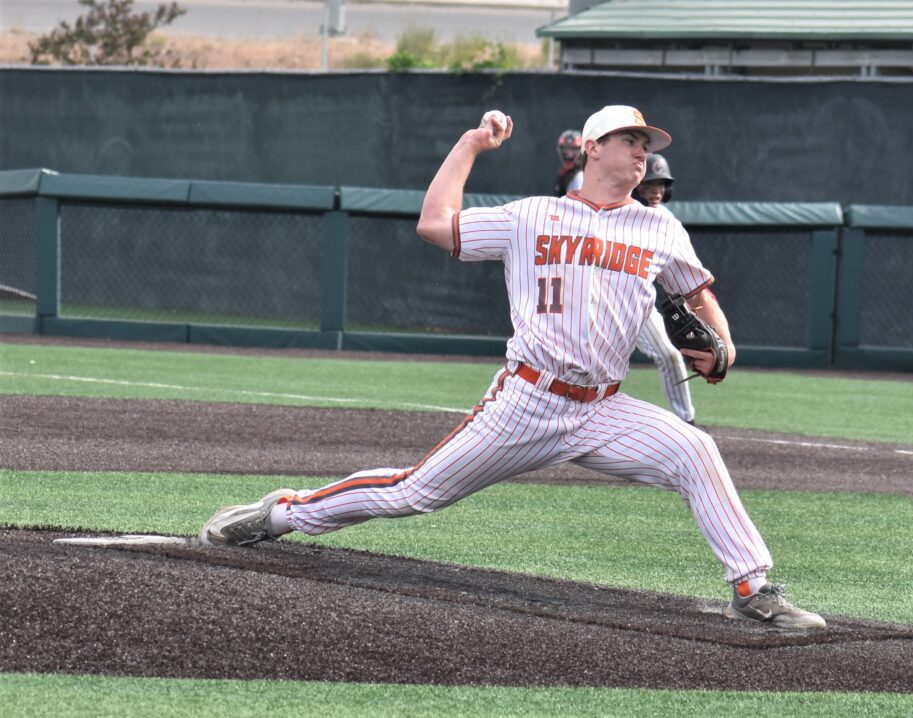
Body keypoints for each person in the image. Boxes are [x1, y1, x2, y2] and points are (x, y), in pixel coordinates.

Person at [199, 105, 827, 629]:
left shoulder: (658, 225)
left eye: (646, 143)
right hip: (528, 402)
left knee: (696, 453)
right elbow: (434, 224)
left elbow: (696, 293)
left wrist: (724, 345)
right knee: (414, 492)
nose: (643, 153)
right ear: (592, 148)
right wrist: (470, 145)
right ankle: (285, 512)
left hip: (605, 406)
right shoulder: (532, 216)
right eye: (630, 141)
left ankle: (753, 590)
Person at [628, 153, 697, 425]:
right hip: (595, 304)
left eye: (660, 184)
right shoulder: (615, 211)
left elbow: (686, 274)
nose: (656, 190)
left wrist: (693, 312)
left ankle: (687, 421)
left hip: (637, 304)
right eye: (648, 184)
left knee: (669, 354)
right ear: (636, 185)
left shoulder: (667, 221)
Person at [553, 128, 583, 197]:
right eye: (565, 148)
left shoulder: (579, 177)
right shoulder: (564, 173)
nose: (568, 154)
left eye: (573, 149)